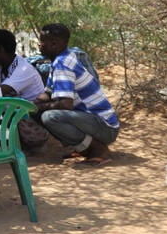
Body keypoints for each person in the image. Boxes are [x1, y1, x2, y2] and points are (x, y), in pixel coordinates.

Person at [35, 23, 118, 165]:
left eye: (42, 41)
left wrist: (38, 107)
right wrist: (29, 104)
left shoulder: (63, 64)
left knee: (50, 117)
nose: (39, 44)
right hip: (92, 120)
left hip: (105, 126)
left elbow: (65, 104)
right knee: (37, 112)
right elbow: (48, 92)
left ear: (54, 44)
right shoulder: (60, 59)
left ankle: (98, 150)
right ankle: (84, 149)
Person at [0, 29, 49, 151]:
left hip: (32, 126)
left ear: (0, 50)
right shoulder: (0, 67)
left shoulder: (23, 69)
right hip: (19, 120)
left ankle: (22, 148)